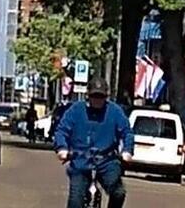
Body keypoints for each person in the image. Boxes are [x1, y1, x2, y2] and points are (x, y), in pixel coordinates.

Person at [54, 78, 134, 208]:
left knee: (118, 192)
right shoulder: (76, 110)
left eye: (101, 96)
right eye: (94, 96)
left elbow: (127, 132)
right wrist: (62, 148)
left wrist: (127, 150)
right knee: (75, 201)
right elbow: (62, 131)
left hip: (107, 162)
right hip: (80, 161)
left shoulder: (114, 111)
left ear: (106, 97)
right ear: (88, 96)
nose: (97, 100)